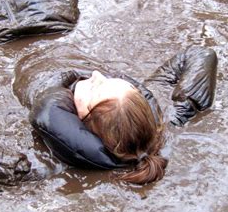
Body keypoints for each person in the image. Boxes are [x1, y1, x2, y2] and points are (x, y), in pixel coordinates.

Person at [30, 45, 218, 185]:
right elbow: (201, 54)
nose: (95, 74)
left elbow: (46, 113)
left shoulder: (50, 160)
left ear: (82, 119)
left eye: (96, 87)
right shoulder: (169, 118)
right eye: (118, 81)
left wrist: (61, 89)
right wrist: (189, 102)